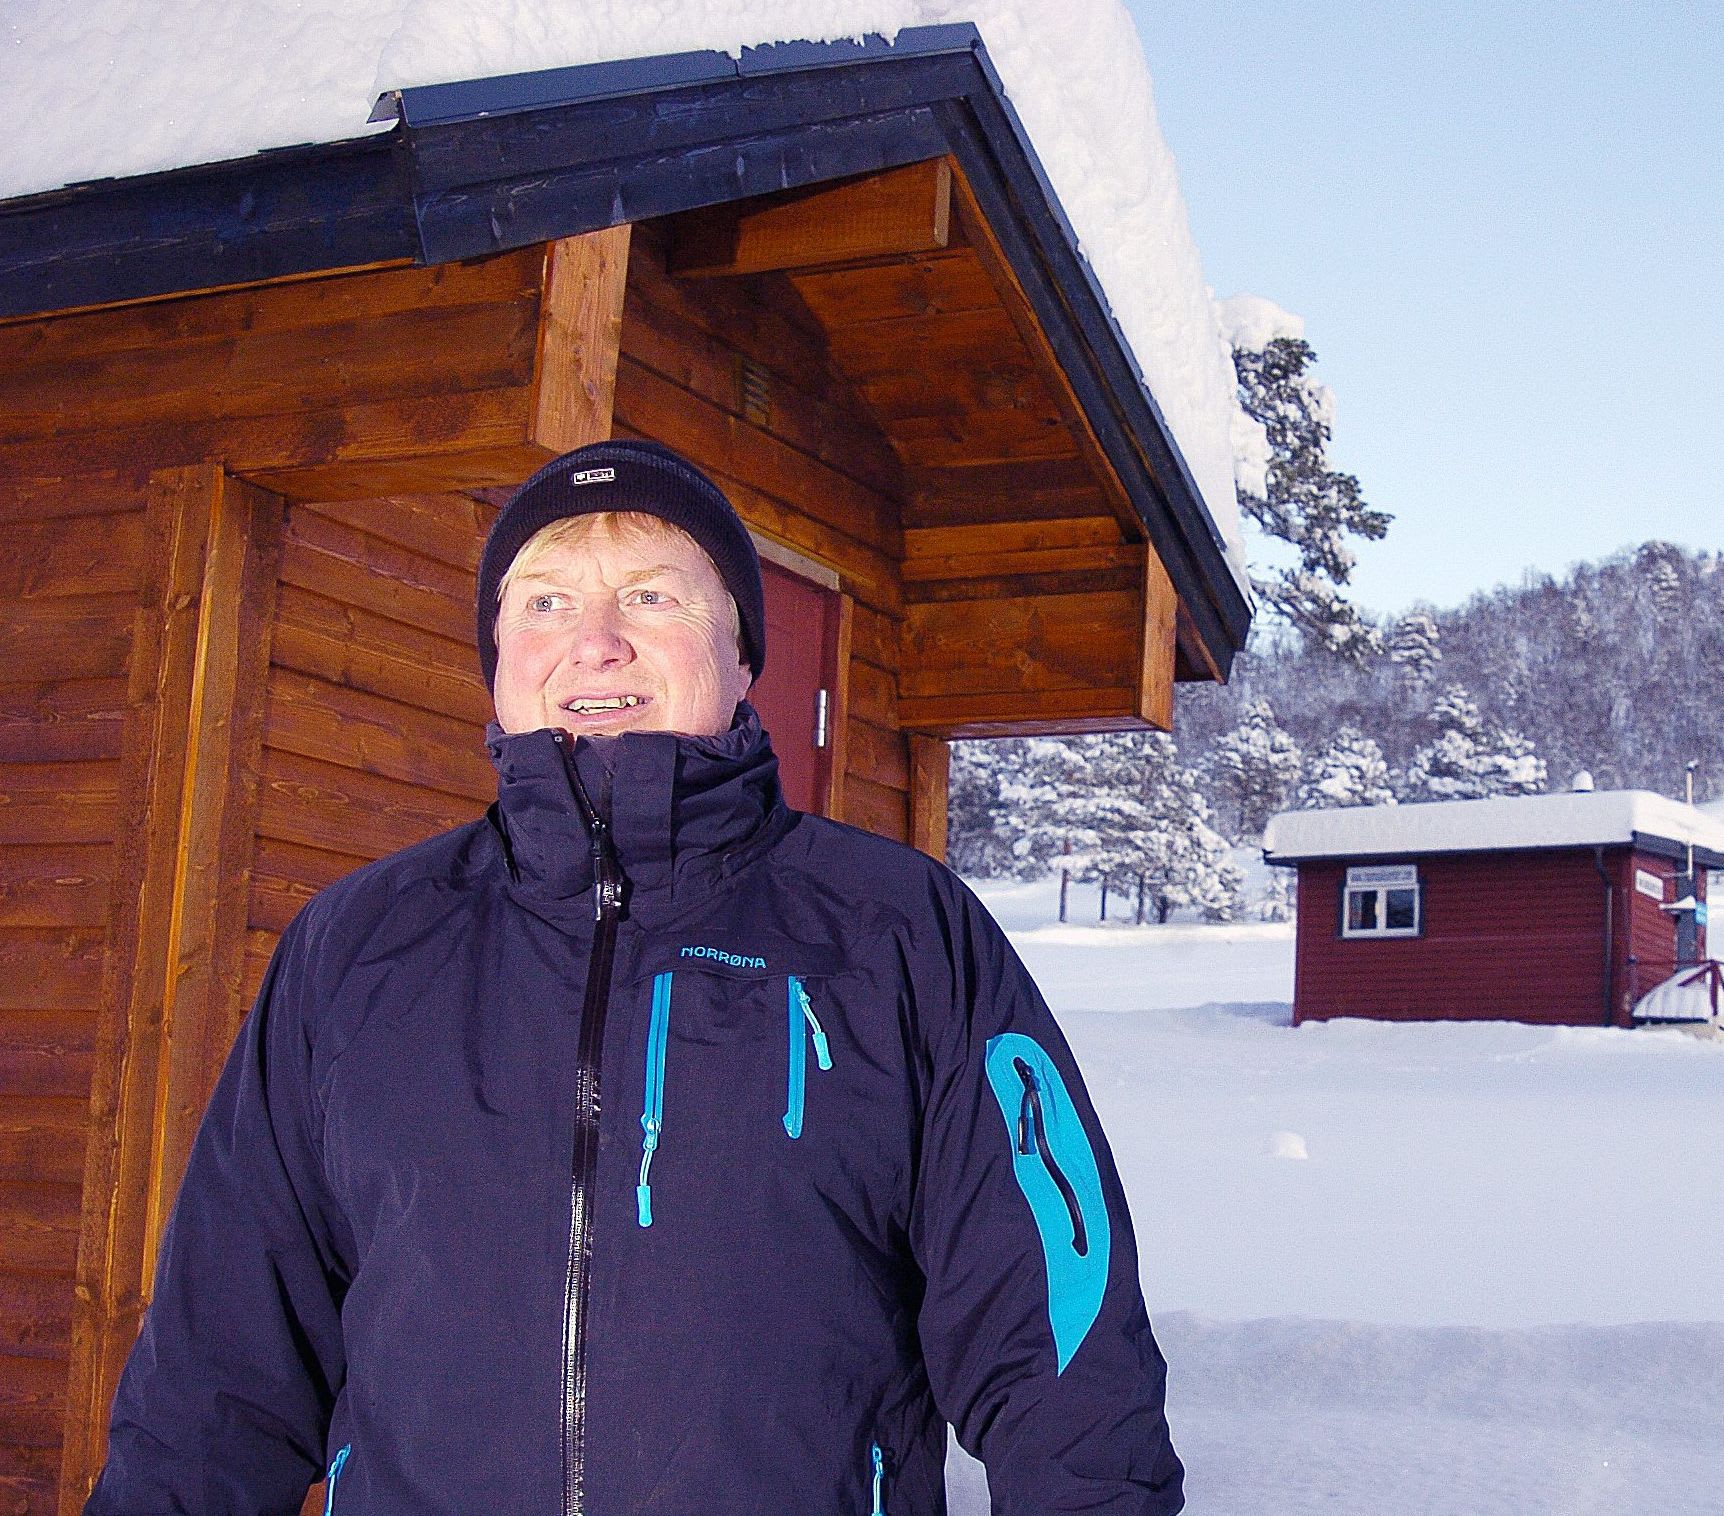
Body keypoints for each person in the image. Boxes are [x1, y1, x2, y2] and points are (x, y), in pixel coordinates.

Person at [87, 439, 1184, 1514]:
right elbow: (218, 1368)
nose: (594, 642)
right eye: (546, 604)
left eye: (652, 597)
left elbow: (1064, 1344)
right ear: (498, 654)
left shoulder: (898, 933)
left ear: (742, 654)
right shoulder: (358, 947)